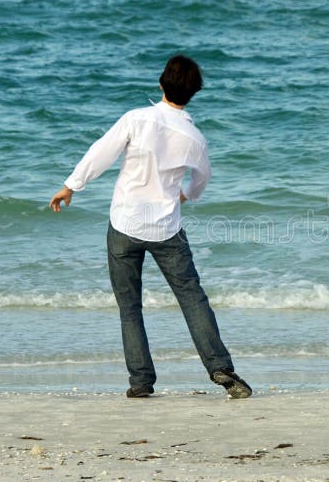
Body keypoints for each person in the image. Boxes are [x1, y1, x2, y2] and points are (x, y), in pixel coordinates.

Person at [49, 55, 251, 399]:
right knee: (192, 298)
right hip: (166, 229)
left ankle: (141, 382)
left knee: (130, 307)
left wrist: (71, 185)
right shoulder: (194, 138)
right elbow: (203, 178)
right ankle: (220, 367)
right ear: (194, 92)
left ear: (161, 83)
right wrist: (186, 194)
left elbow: (102, 152)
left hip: (124, 224)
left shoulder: (136, 119)